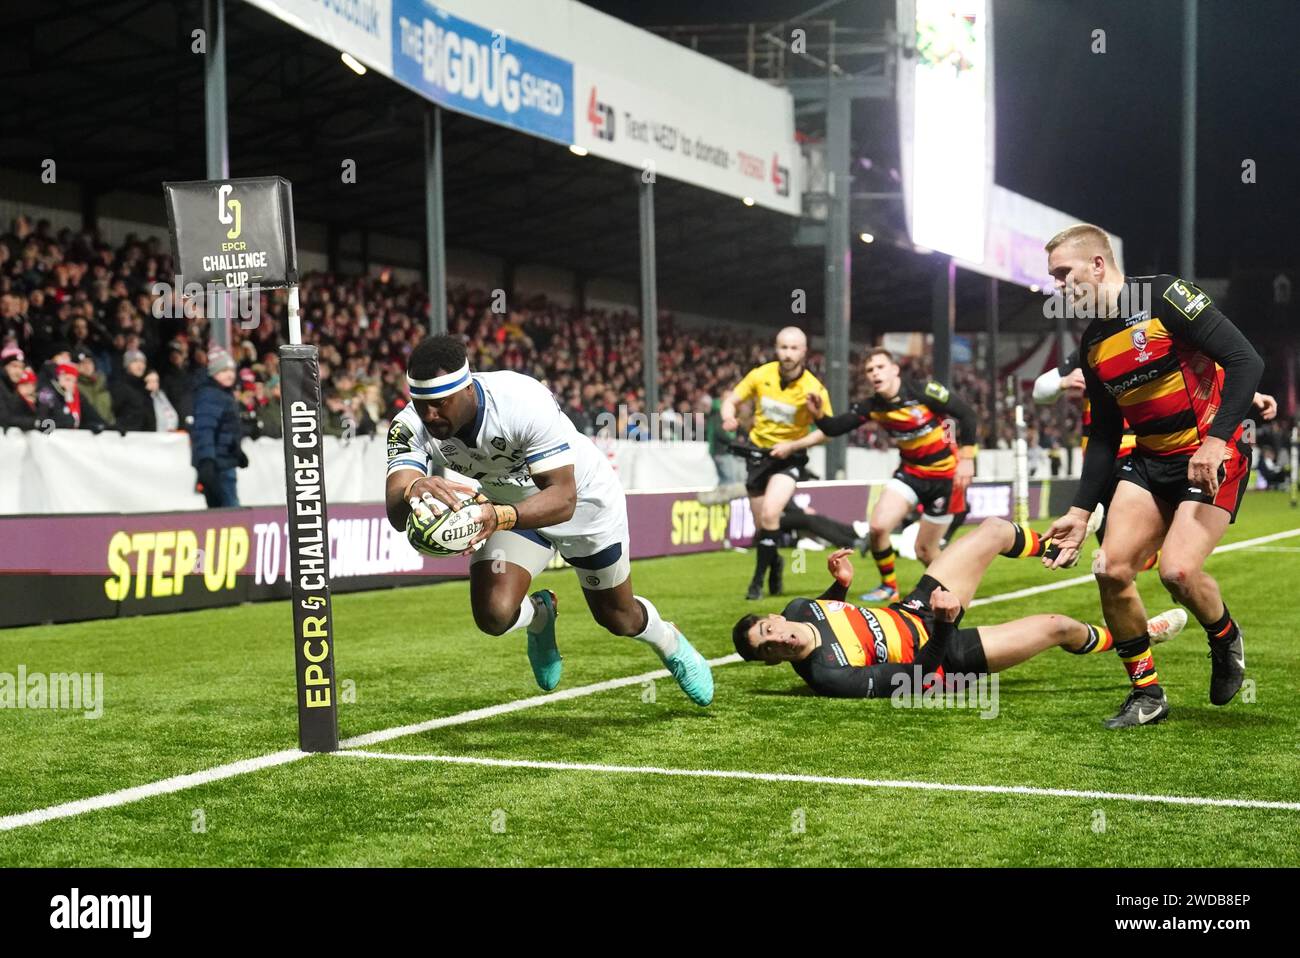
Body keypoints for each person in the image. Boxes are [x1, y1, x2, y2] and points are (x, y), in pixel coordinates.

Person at [384, 334, 714, 706]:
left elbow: (563, 498)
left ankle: (669, 641)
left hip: (583, 505)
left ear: (466, 388)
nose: (430, 416)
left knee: (618, 618)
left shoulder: (521, 401)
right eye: (420, 403)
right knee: (493, 616)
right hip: (510, 511)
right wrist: (413, 487)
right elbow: (397, 515)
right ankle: (541, 615)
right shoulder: (409, 426)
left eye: (439, 403)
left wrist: (498, 516)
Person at [1041, 223, 1263, 728]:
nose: (1056, 285)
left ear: (1098, 264)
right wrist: (1080, 511)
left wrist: (1214, 441)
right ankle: (1147, 693)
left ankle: (1225, 637)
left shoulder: (1163, 295)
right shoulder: (1094, 341)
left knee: (1178, 573)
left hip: (1210, 453)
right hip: (1149, 461)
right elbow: (1103, 437)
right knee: (1110, 568)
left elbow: (1245, 360)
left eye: (1062, 272)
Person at [732, 518, 1186, 699]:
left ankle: (1058, 547)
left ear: (776, 617)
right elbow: (923, 680)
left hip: (915, 609)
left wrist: (840, 586)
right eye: (769, 651)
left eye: (770, 632)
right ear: (772, 663)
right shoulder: (830, 677)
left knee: (993, 530)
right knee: (1058, 626)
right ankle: (1137, 636)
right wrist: (946, 625)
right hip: (942, 652)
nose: (779, 641)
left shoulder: (801, 608)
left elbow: (829, 617)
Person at [807, 348, 978, 602]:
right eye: (870, 370)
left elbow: (967, 414)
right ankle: (889, 586)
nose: (875, 373)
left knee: (924, 550)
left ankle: (954, 589)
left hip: (945, 478)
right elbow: (834, 428)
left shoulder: (923, 391)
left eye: (880, 367)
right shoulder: (873, 407)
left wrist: (967, 458)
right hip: (909, 474)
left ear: (894, 369)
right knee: (877, 527)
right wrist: (819, 414)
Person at [720, 326, 831, 601]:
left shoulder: (814, 389)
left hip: (789, 458)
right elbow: (731, 400)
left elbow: (827, 431)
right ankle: (777, 562)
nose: (788, 354)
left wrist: (793, 445)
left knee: (771, 514)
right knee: (763, 526)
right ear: (776, 348)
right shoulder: (761, 375)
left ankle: (756, 584)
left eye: (794, 348)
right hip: (759, 455)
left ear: (804, 352)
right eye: (784, 347)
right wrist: (728, 416)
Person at [191, 346, 247, 508]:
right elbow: (205, 429)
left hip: (225, 461)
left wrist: (237, 452)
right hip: (217, 465)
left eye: (231, 370)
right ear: (214, 373)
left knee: (223, 509)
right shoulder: (210, 395)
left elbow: (227, 430)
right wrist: (207, 460)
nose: (229, 374)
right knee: (229, 512)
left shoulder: (223, 394)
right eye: (223, 370)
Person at [110, 349, 155, 432]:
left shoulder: (144, 389)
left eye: (142, 362)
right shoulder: (120, 387)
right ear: (127, 365)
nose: (140, 366)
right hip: (125, 440)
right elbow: (111, 414)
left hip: (146, 440)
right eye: (135, 361)